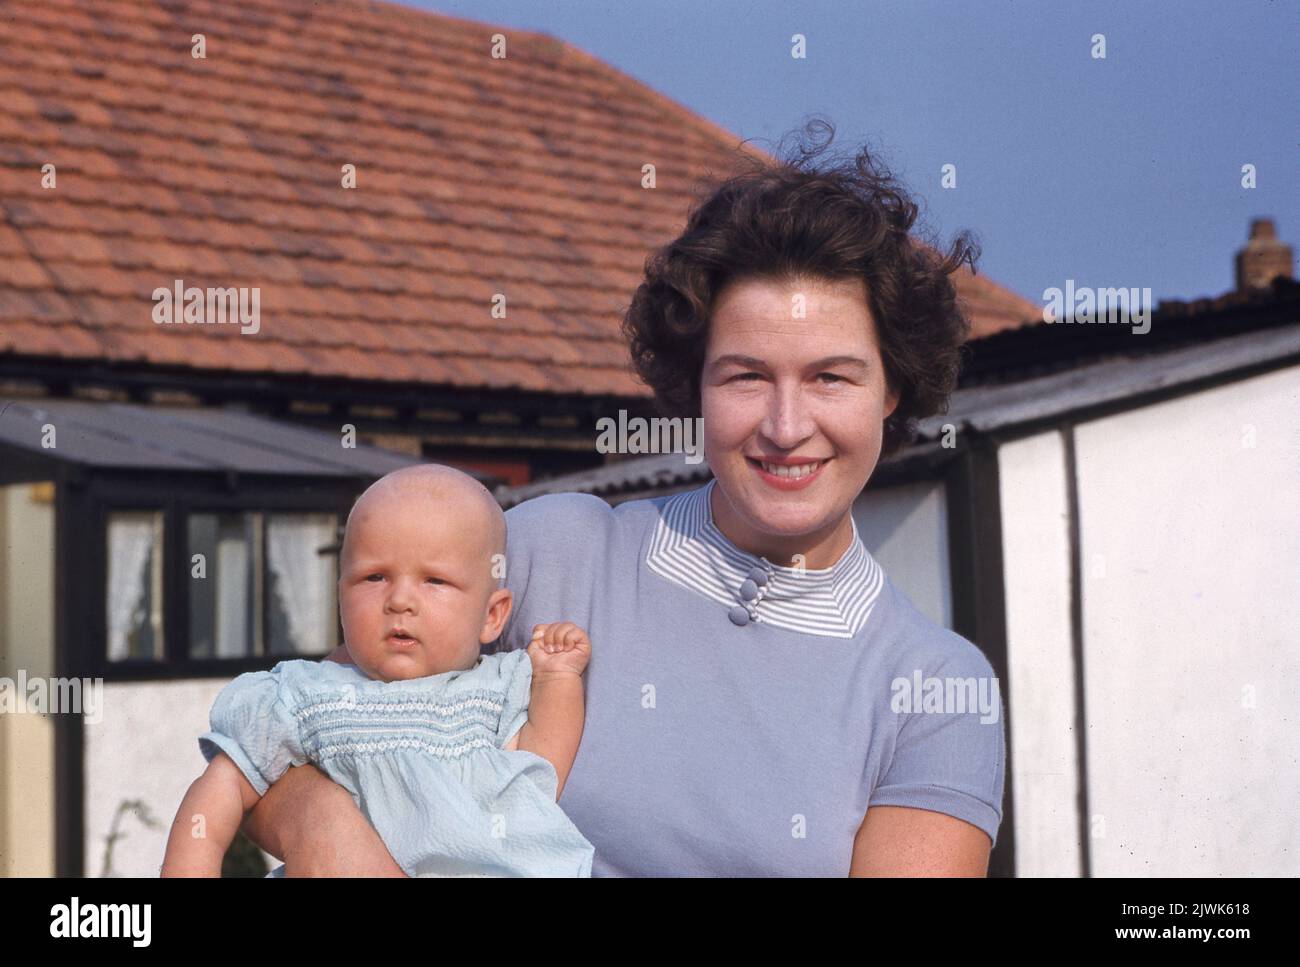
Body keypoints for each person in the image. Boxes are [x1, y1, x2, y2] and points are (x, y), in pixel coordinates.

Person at [242, 119, 1006, 876]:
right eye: (745, 376)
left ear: (893, 389)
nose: (785, 425)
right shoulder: (553, 552)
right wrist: (324, 826)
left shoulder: (936, 689)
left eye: (829, 377)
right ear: (695, 385)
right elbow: (279, 737)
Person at [160, 465, 595, 877]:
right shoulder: (304, 697)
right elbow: (223, 786)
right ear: (340, 595)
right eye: (374, 577)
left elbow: (540, 770)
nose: (399, 600)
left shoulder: (495, 691)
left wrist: (557, 679)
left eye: (435, 581)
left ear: (492, 616)